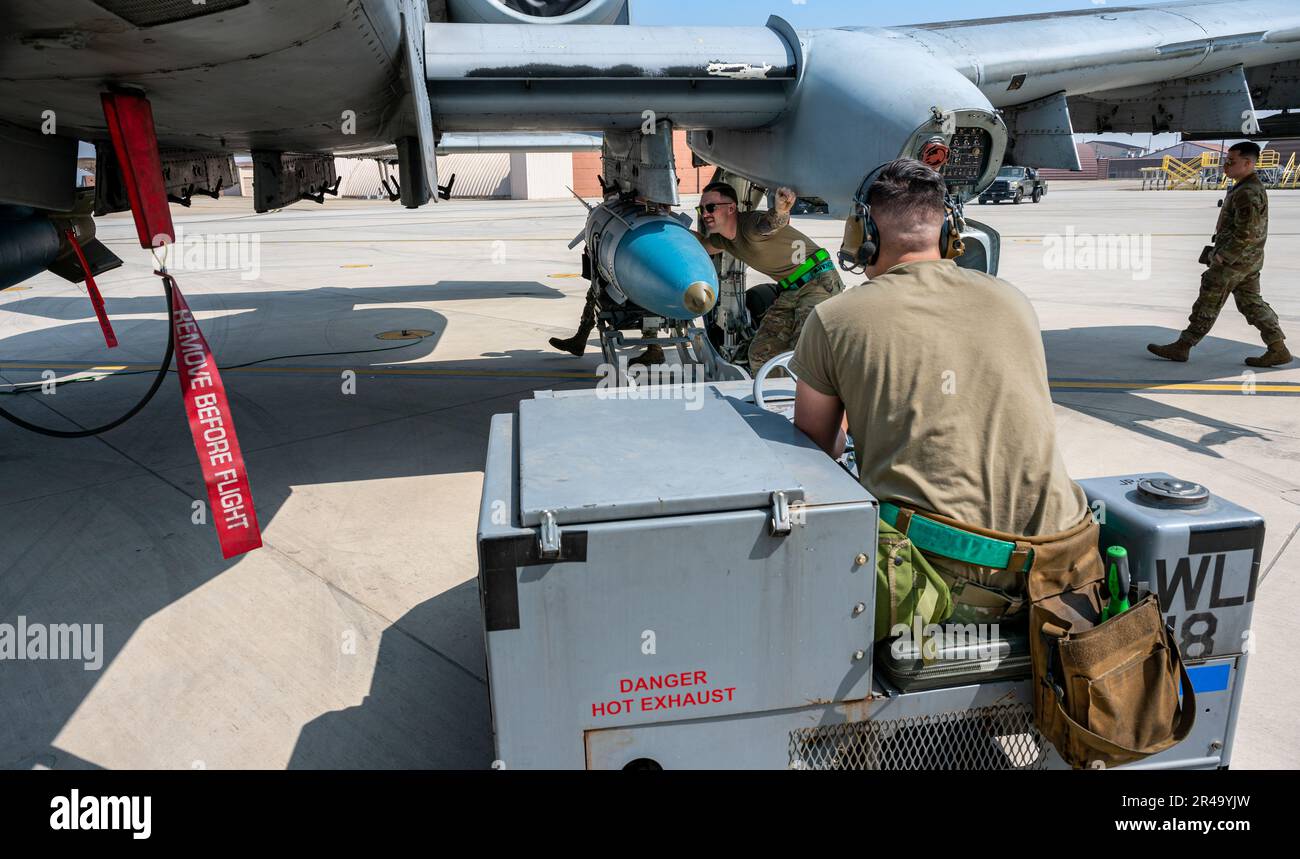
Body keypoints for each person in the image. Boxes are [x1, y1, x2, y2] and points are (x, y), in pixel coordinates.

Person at [790, 158, 1095, 630]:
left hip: (943, 572)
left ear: (863, 233)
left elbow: (815, 453)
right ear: (951, 227)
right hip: (1066, 560)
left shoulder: (835, 319)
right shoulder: (1011, 298)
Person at [1148, 141, 1291, 367]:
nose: (1226, 166)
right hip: (1247, 260)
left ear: (1247, 163)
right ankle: (1278, 348)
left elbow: (1248, 231)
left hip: (1234, 260)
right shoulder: (1243, 187)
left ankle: (1183, 346)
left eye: (1231, 162)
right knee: (1251, 303)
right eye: (1226, 161)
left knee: (1209, 298)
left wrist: (1224, 255)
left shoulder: (1248, 192)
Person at [694, 181, 843, 373]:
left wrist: (780, 210)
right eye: (701, 209)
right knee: (760, 353)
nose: (705, 213)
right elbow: (704, 246)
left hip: (819, 281)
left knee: (806, 352)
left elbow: (769, 224)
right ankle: (776, 398)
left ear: (731, 208)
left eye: (710, 207)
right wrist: (671, 227)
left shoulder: (750, 225)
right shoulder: (723, 239)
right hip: (790, 290)